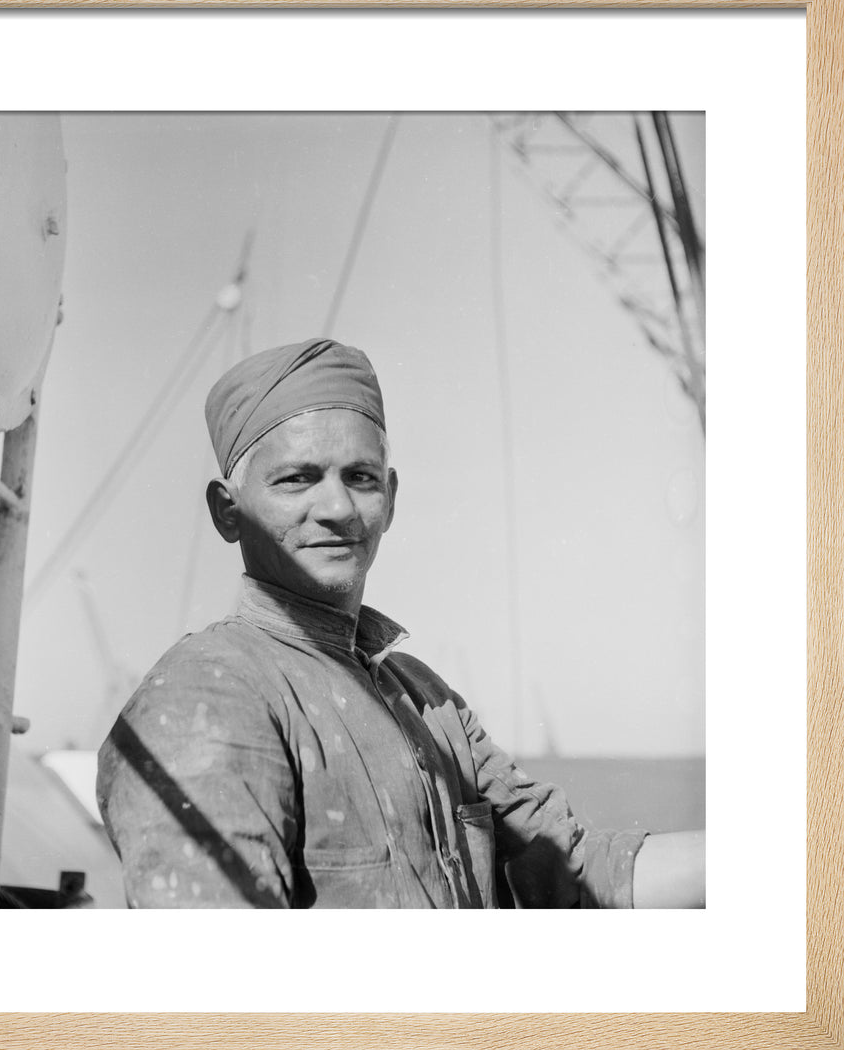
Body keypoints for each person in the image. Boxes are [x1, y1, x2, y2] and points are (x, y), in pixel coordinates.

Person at [96, 338, 705, 908]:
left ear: (389, 499)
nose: (337, 509)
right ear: (227, 512)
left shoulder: (425, 700)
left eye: (359, 478)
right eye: (297, 479)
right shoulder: (212, 694)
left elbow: (573, 871)